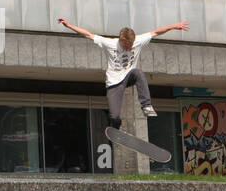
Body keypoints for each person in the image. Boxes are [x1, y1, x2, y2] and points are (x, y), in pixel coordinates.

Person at [57, 18, 188, 129]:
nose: (129, 48)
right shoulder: (109, 43)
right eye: (126, 46)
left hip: (129, 76)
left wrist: (174, 26)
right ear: (121, 40)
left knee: (138, 73)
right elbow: (88, 35)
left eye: (131, 45)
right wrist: (69, 25)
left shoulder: (138, 40)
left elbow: (156, 32)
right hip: (114, 82)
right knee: (114, 116)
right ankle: (116, 127)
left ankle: (146, 105)